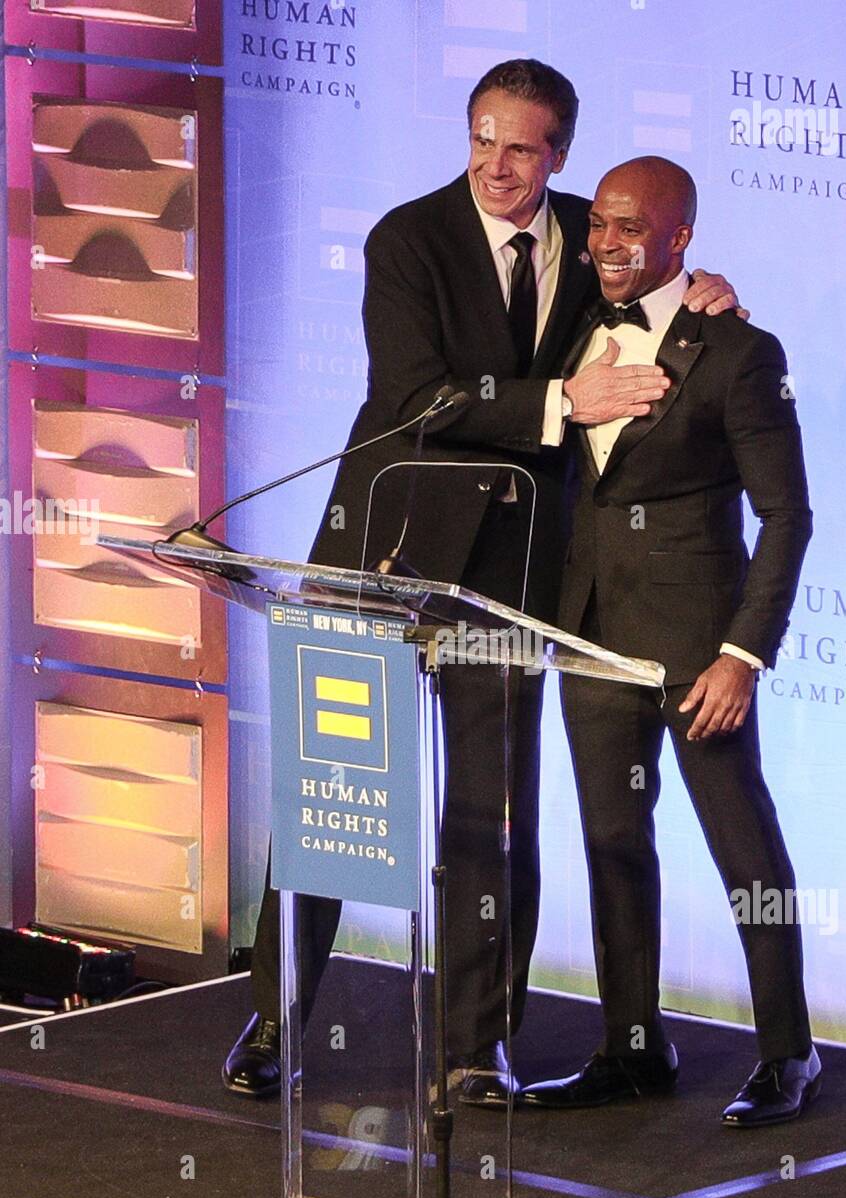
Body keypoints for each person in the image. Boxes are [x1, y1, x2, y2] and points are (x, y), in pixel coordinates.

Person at [223, 62, 742, 1104]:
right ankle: (276, 1017)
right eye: (481, 141)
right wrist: (563, 397)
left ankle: (476, 1047)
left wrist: (709, 298)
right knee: (334, 795)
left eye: (521, 148)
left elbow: (656, 293)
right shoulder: (406, 240)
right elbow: (419, 393)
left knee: (493, 813)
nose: (497, 167)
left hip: (514, 570)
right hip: (387, 547)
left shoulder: (592, 238)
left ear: (560, 153)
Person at [521, 156, 820, 1126]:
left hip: (699, 647)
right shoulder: (571, 324)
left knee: (744, 847)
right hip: (591, 633)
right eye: (598, 225)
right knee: (613, 840)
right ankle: (633, 1044)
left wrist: (744, 653)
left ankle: (788, 1050)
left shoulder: (741, 353)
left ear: (681, 238)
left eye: (629, 229)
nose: (607, 243)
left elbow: (787, 517)